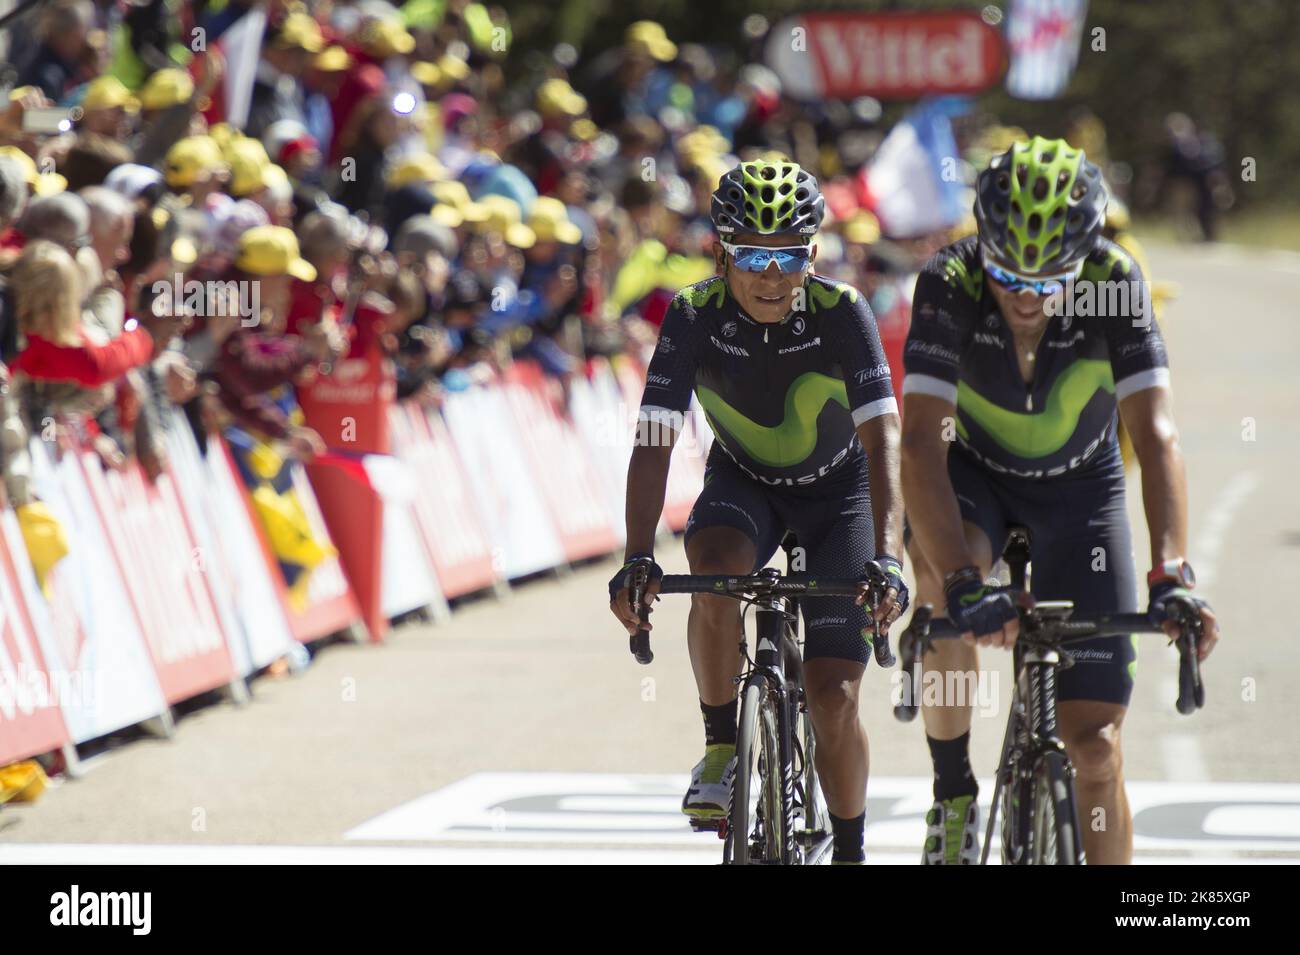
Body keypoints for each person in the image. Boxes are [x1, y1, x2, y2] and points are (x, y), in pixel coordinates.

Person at [899, 136, 1220, 864]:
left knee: (1097, 749)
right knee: (944, 584)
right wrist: (957, 579)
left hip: (1081, 493)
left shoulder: (1115, 279)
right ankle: (952, 792)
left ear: (1086, 253)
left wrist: (1170, 571)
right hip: (974, 476)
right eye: (1008, 270)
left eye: (1051, 277)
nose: (1026, 293)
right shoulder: (949, 279)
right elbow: (919, 444)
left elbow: (1157, 434)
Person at [607, 159, 906, 865]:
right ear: (722, 251)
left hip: (840, 494)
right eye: (752, 255)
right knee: (712, 573)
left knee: (832, 695)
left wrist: (888, 555)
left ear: (812, 252)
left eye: (789, 255)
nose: (771, 276)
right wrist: (636, 556)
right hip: (745, 482)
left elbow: (883, 436)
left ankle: (852, 850)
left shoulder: (842, 313)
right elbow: (654, 437)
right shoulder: (692, 315)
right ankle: (719, 747)